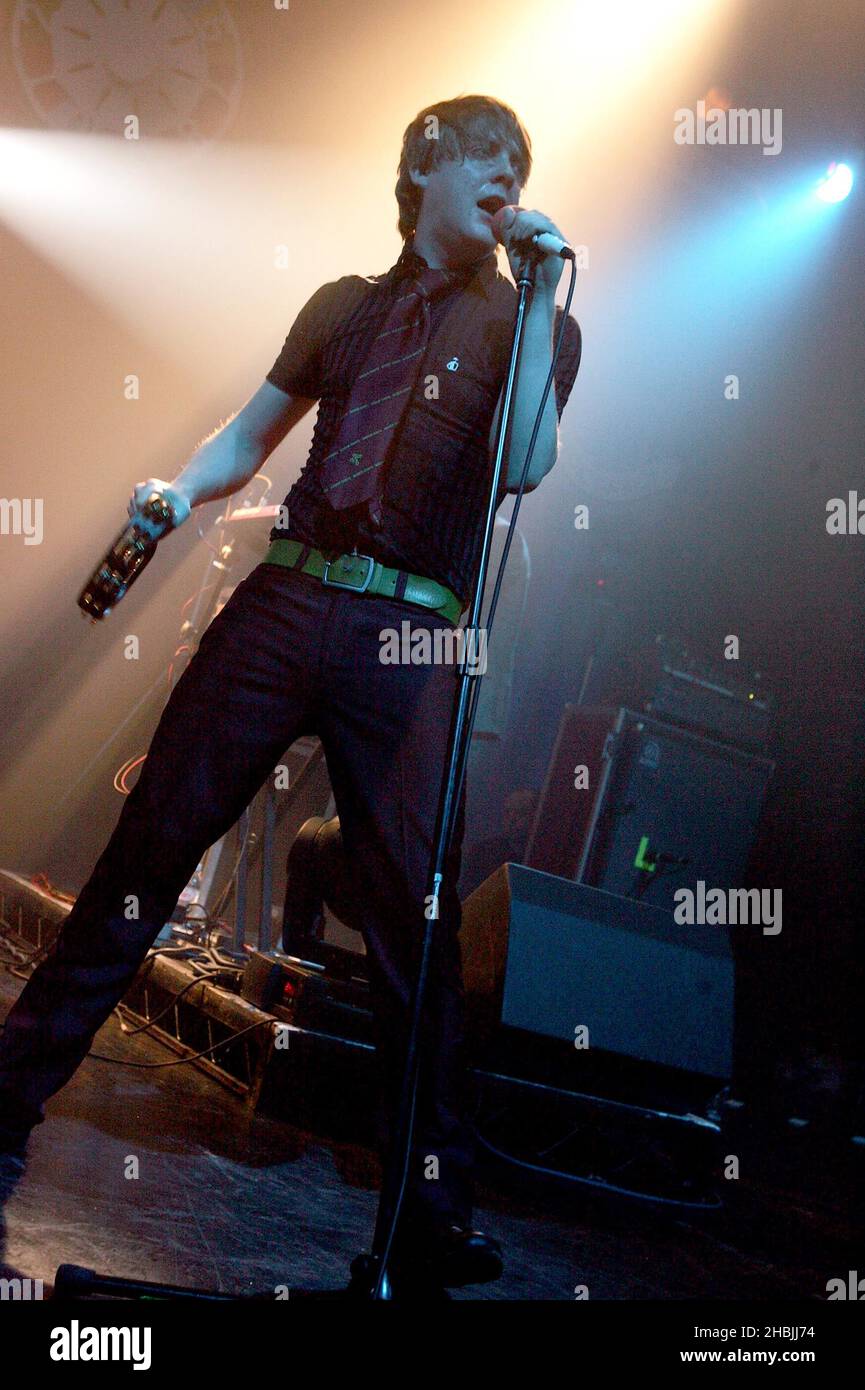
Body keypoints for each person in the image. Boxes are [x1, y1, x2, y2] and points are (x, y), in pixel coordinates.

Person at [0, 94, 581, 1291]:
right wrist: (178, 488)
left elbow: (523, 465)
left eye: (525, 162)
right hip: (284, 598)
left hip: (412, 634)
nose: (513, 172)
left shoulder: (537, 325)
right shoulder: (340, 306)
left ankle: (427, 1210)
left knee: (415, 930)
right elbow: (251, 435)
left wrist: (543, 302)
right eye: (491, 154)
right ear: (425, 163)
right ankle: (7, 1095)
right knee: (143, 855)